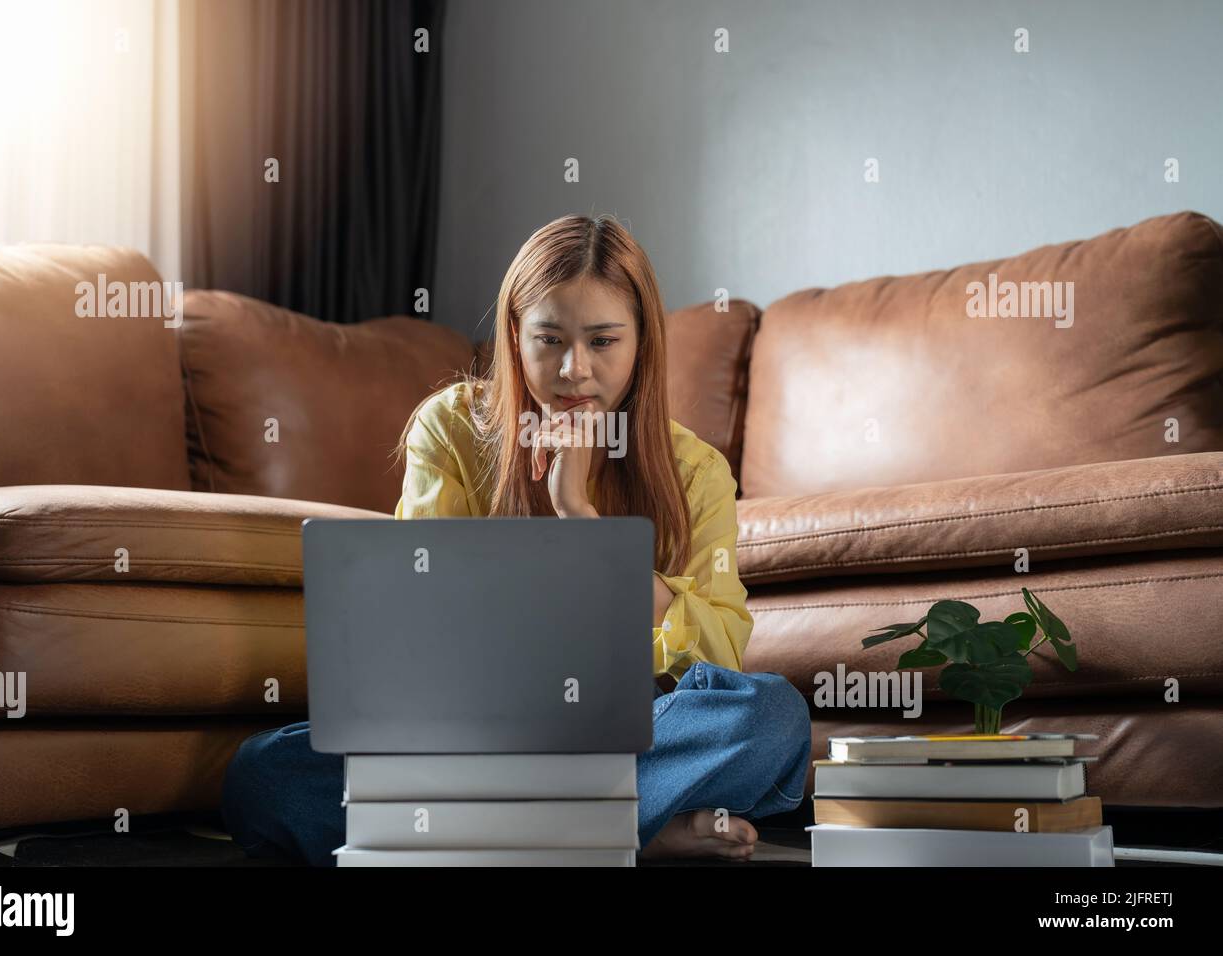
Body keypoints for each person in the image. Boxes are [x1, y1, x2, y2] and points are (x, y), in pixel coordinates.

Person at [220, 214, 812, 864]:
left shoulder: (695, 470)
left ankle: (525, 826)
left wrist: (580, 518)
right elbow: (412, 619)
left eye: (603, 341)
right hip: (470, 731)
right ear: (513, 335)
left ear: (642, 343)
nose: (574, 371)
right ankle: (626, 824)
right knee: (264, 772)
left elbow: (720, 652)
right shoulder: (449, 428)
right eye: (549, 339)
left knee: (771, 717)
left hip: (626, 725)